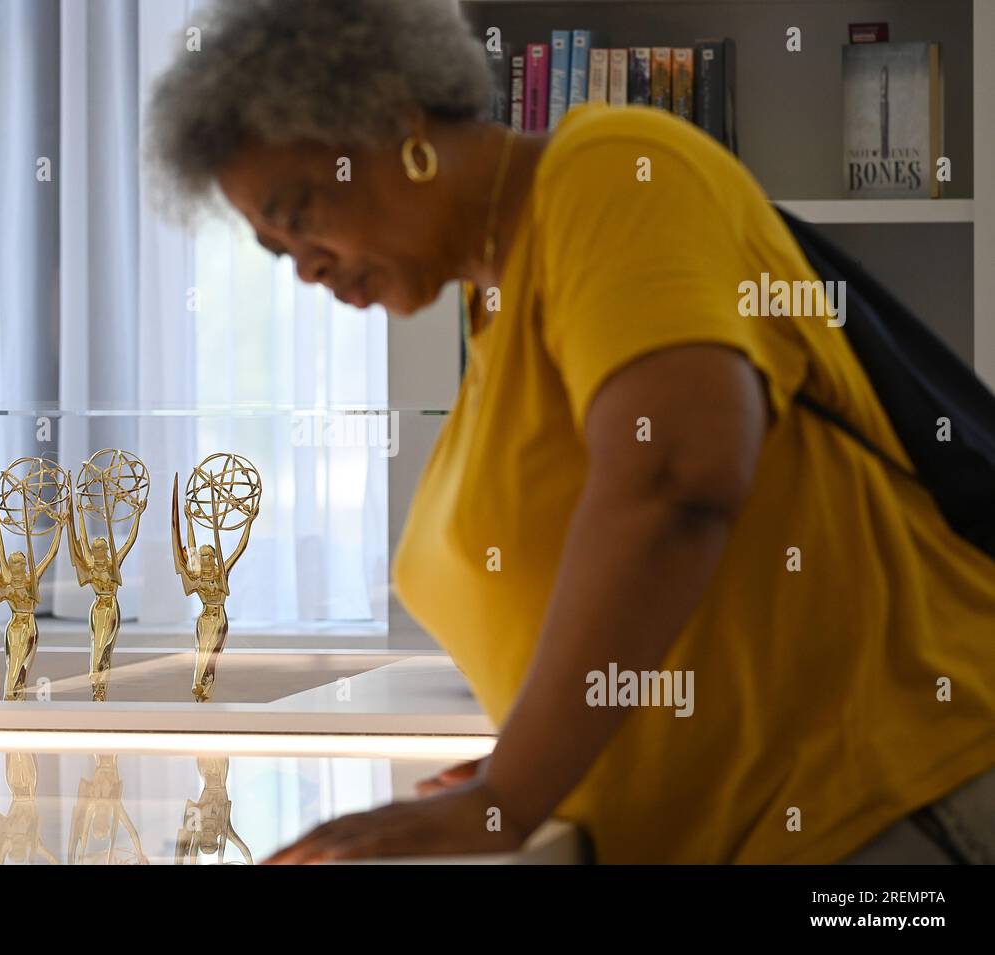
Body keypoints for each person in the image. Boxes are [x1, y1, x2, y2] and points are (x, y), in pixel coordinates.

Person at [147, 0, 995, 863]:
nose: (307, 266)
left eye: (297, 214)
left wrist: (507, 799)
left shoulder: (613, 171)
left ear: (395, 117)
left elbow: (673, 480)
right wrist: (553, 758)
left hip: (895, 807)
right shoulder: (495, 316)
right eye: (277, 253)